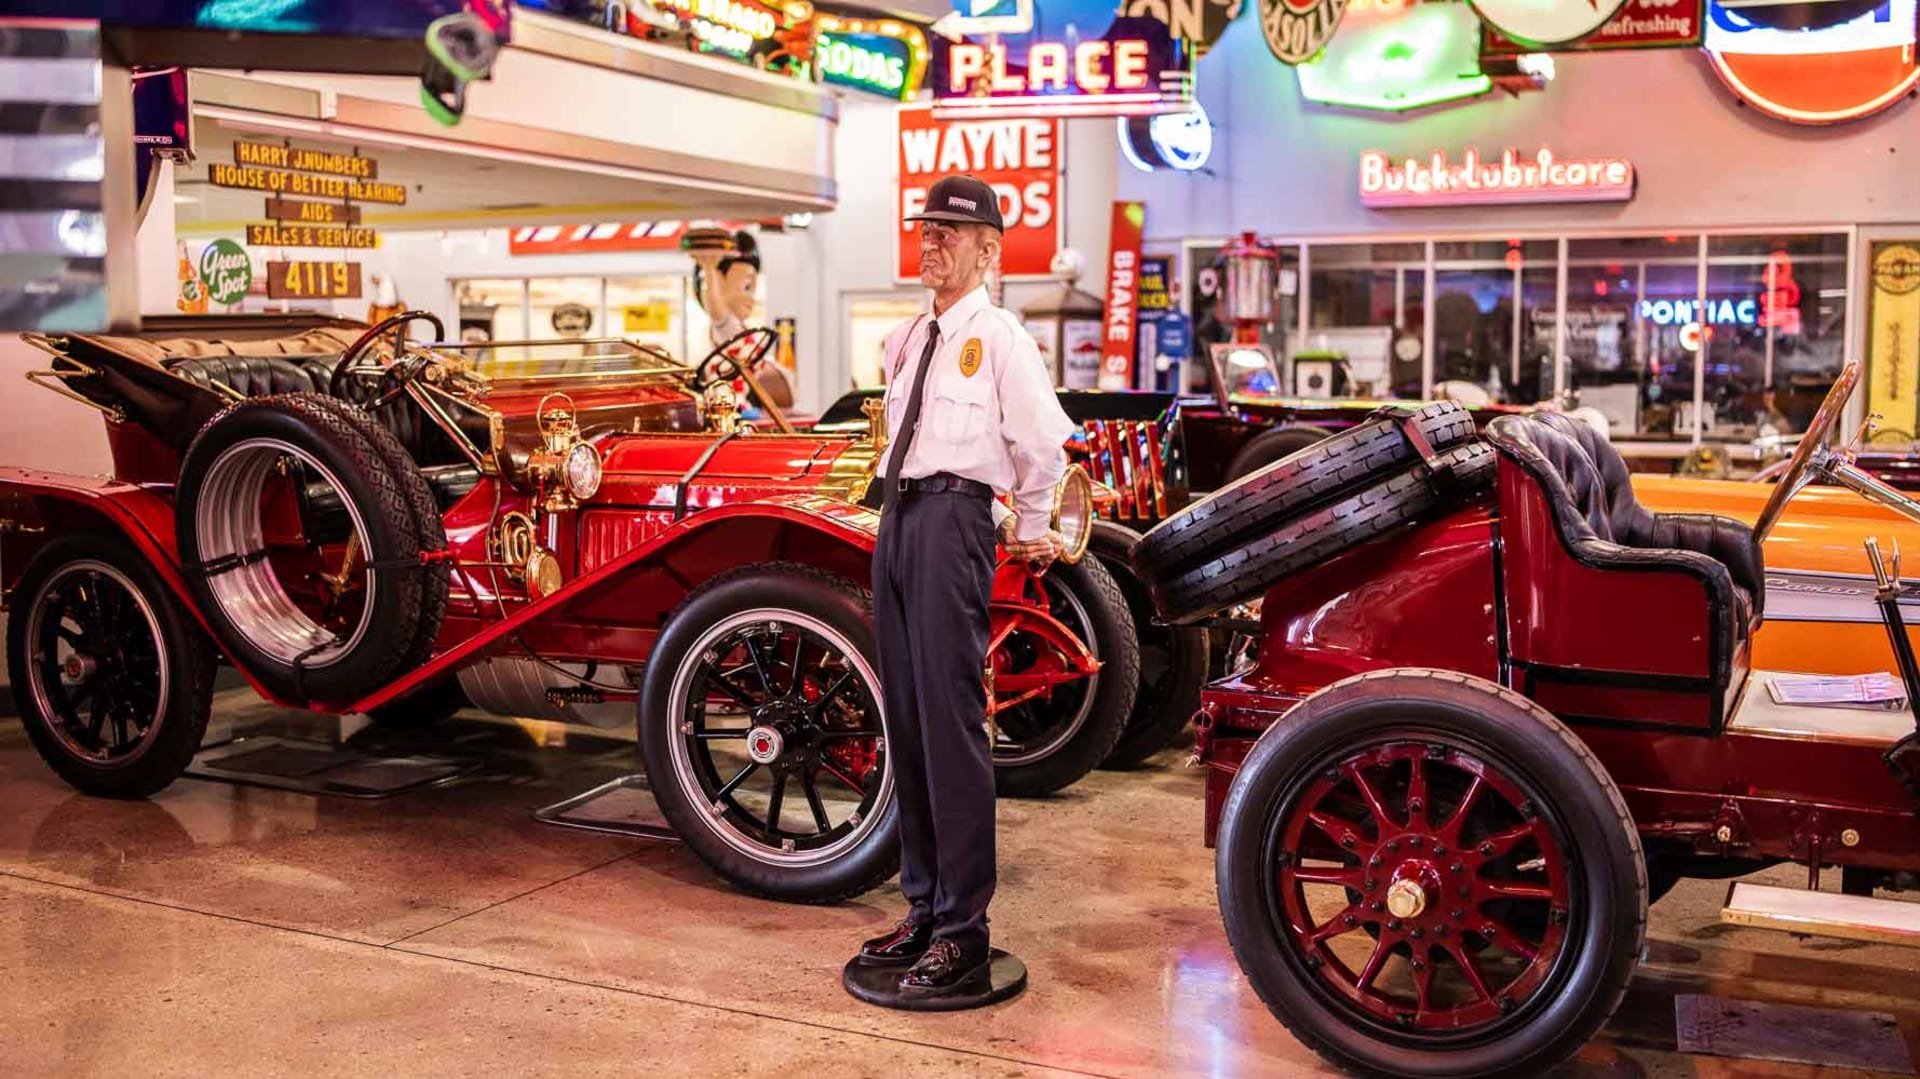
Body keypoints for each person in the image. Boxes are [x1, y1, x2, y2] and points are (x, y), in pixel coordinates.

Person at [852, 175, 1074, 1000]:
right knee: (904, 720)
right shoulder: (908, 339)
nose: (932, 241)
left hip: (954, 523)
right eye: (927, 228)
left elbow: (1042, 442)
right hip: (901, 522)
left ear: (988, 251)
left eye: (951, 231)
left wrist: (1033, 523)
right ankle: (921, 908)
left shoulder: (1002, 338)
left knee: (950, 726)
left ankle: (964, 930)